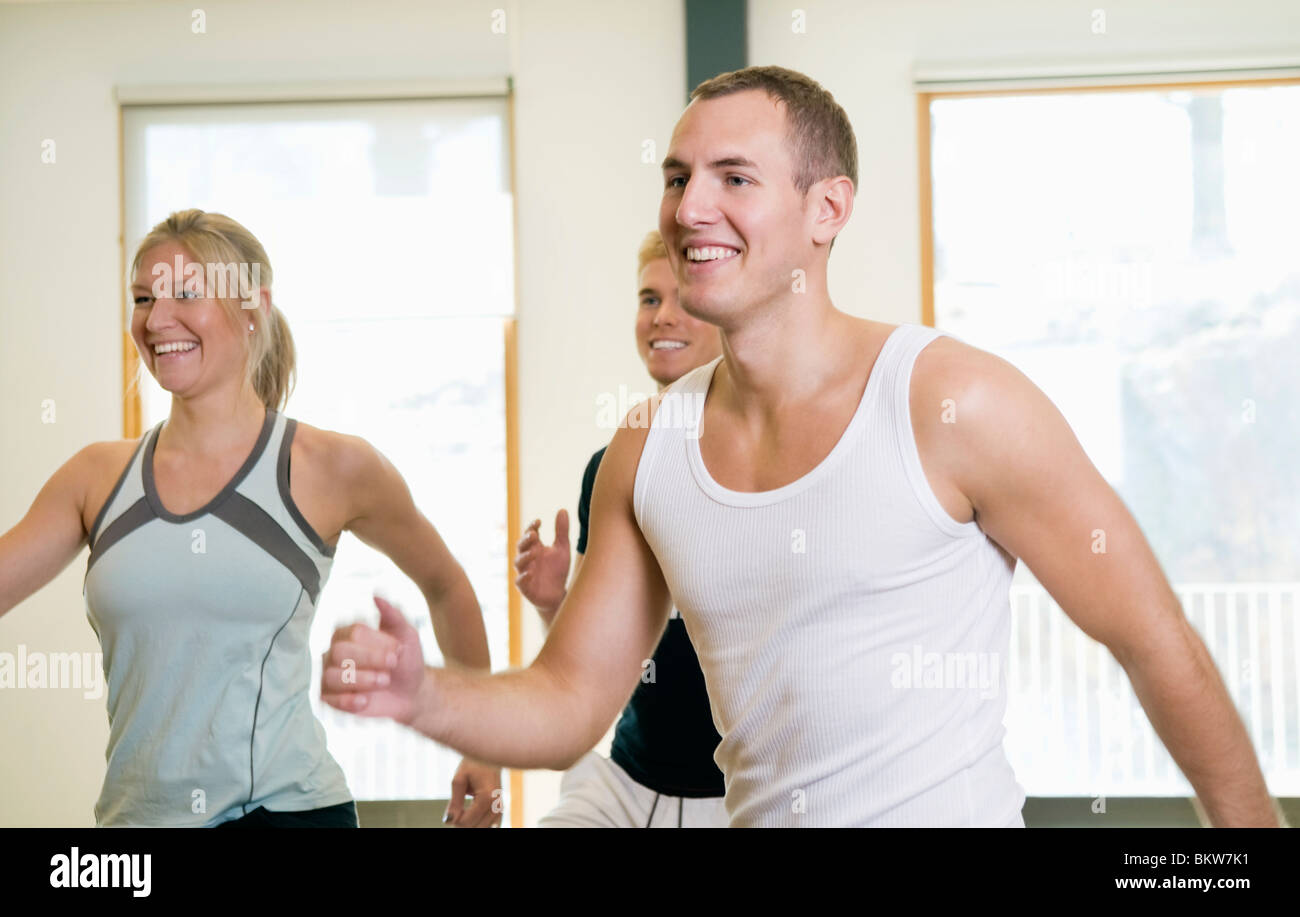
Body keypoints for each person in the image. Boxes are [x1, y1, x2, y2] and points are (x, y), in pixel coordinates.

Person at [321, 67, 1280, 827]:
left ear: (828, 210)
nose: (691, 206)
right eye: (678, 177)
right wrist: (423, 693)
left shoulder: (955, 402)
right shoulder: (651, 446)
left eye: (734, 178)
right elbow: (569, 700)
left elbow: (1154, 643)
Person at [0, 209, 500, 827]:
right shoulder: (95, 477)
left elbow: (447, 586)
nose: (157, 320)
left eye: (185, 293)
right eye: (143, 298)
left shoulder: (328, 467)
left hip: (286, 813)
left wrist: (482, 747)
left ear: (251, 306)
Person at [515, 230, 728, 827]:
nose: (662, 317)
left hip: (744, 794)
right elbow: (589, 666)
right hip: (627, 783)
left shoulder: (768, 463)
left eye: (681, 298)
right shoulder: (609, 469)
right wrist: (555, 603)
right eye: (648, 299)